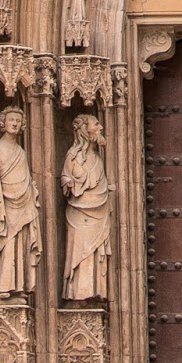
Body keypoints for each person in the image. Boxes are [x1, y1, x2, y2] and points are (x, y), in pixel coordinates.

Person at [0, 107, 41, 297]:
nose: (15, 124)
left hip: (23, 201)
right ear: (3, 123)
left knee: (19, 244)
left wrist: (31, 189)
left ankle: (18, 286)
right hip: (4, 202)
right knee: (5, 242)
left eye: (18, 120)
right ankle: (2, 286)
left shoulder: (21, 152)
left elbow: (25, 177)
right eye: (11, 120)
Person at [61, 113, 113, 303]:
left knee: (95, 252)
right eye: (96, 124)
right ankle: (78, 294)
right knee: (80, 251)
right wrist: (69, 183)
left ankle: (95, 291)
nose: (100, 128)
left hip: (99, 212)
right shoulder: (73, 156)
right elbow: (65, 178)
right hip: (79, 214)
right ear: (85, 130)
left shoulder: (98, 158)